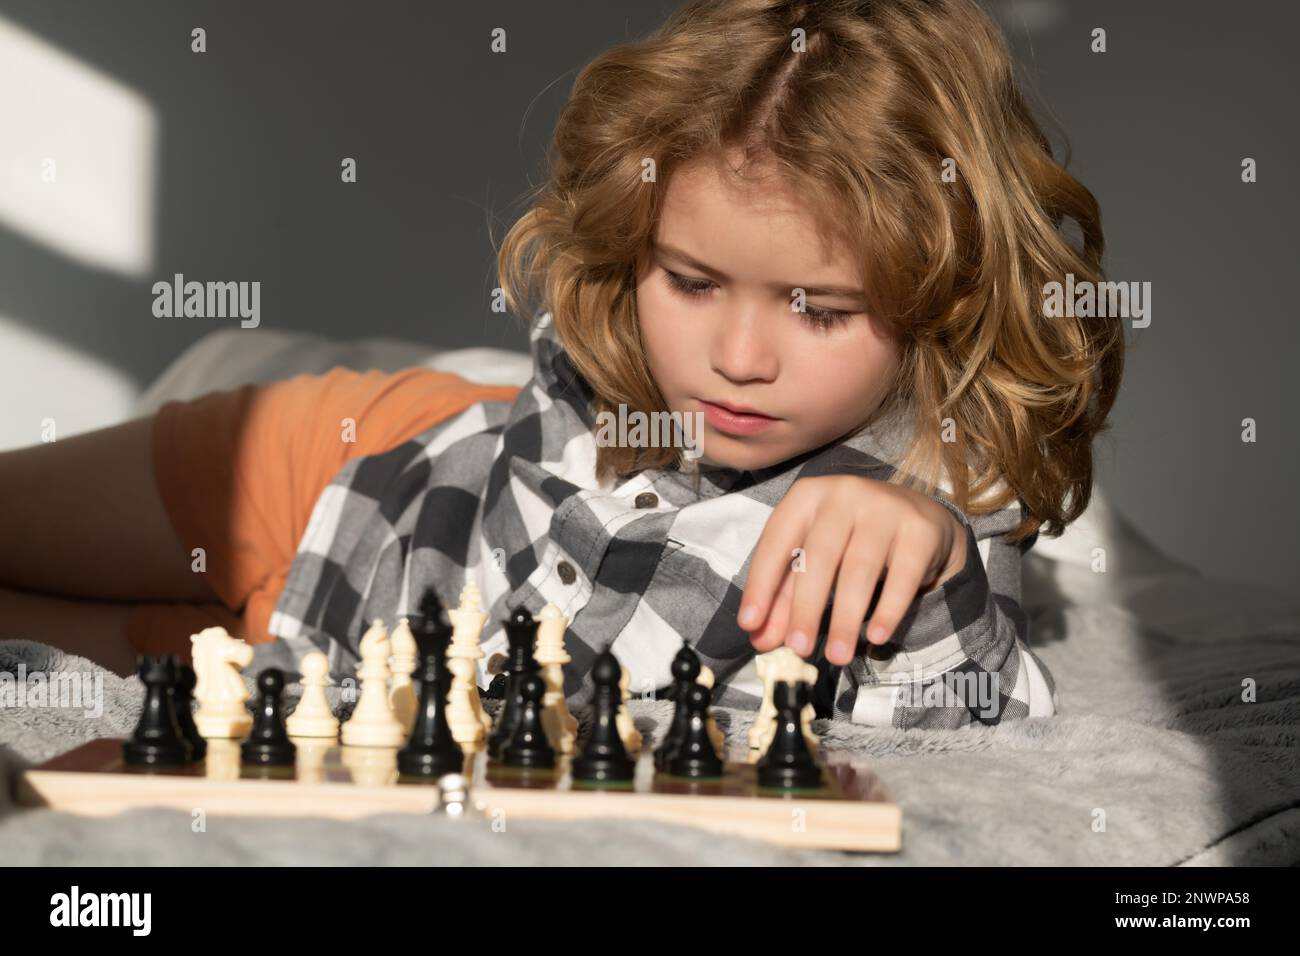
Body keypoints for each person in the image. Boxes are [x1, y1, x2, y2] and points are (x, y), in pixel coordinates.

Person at [0, 0, 1122, 727]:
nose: (736, 360)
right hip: (359, 461)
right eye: (687, 282)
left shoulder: (935, 495)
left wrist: (930, 559)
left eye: (819, 310)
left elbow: (992, 722)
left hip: (336, 674)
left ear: (938, 298)